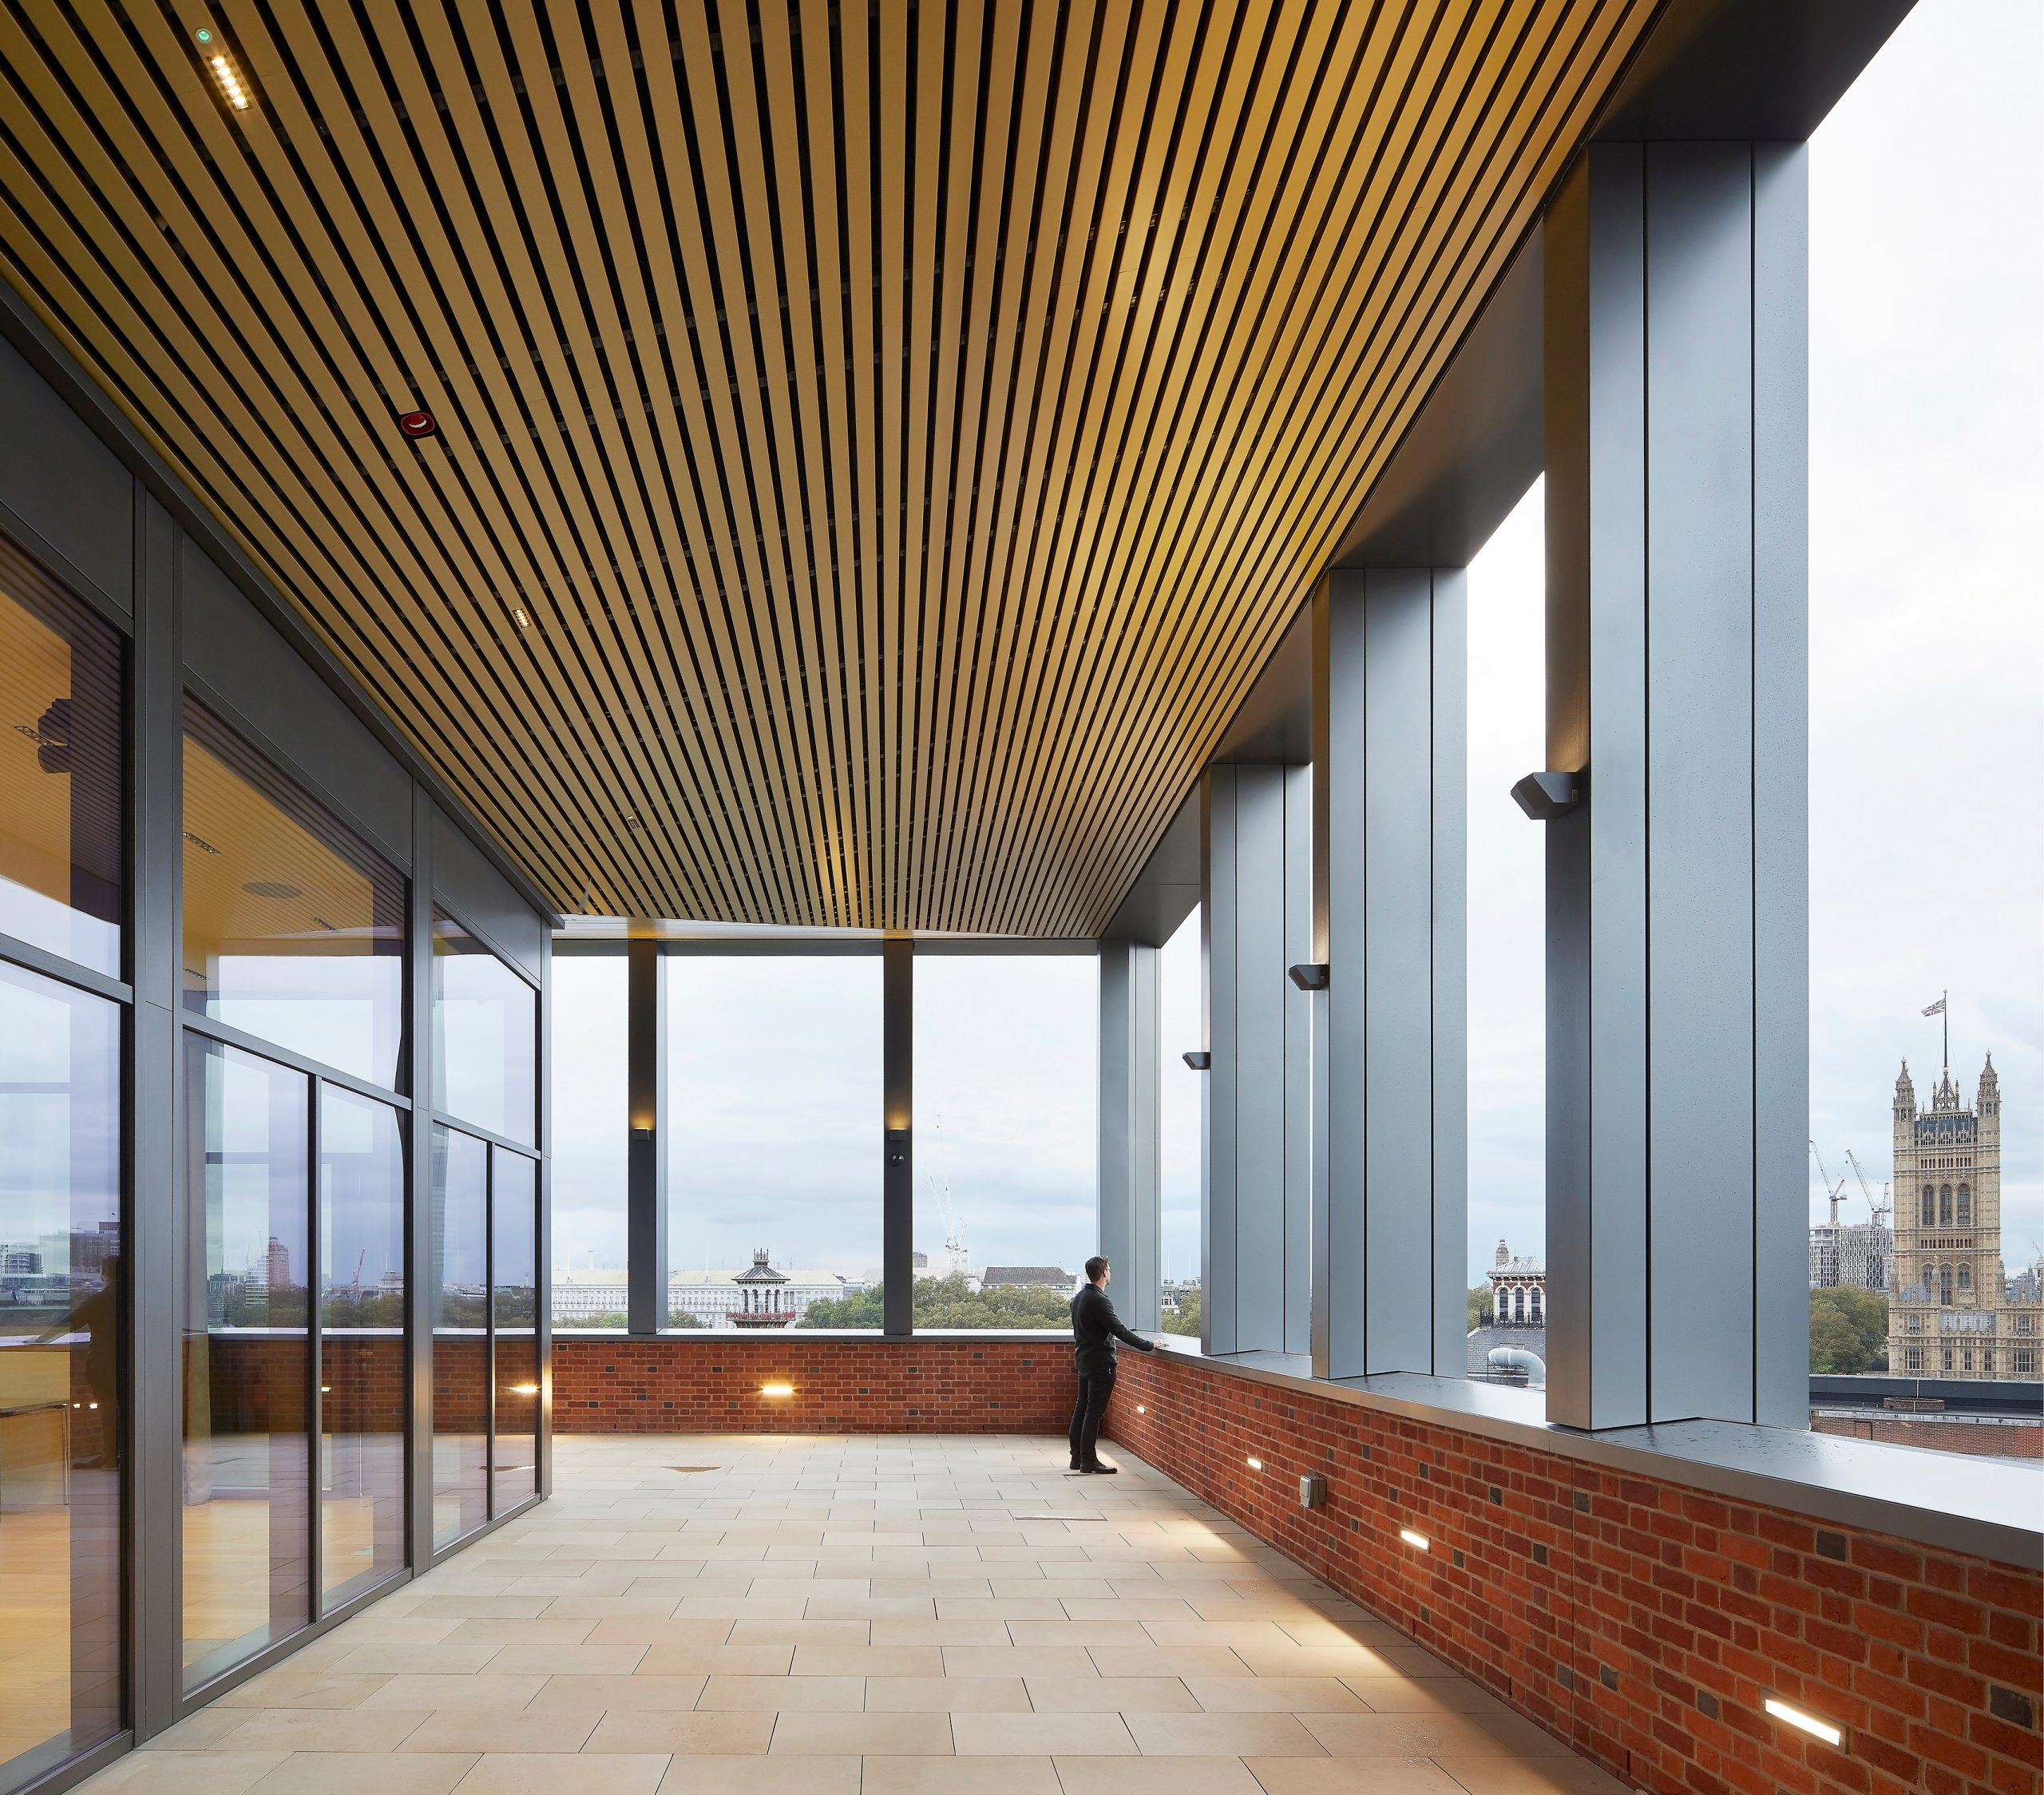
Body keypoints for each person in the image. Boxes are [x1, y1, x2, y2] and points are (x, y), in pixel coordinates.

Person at [1068, 1254, 1155, 1474]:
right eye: (1109, 1269)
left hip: (1084, 1360)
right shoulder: (1099, 1299)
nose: (1110, 1272)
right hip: (1100, 1362)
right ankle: (1089, 1460)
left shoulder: (1079, 1298)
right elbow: (1120, 1330)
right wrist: (1149, 1345)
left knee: (1082, 1408)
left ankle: (1077, 1457)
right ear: (1104, 1273)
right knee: (1093, 1412)